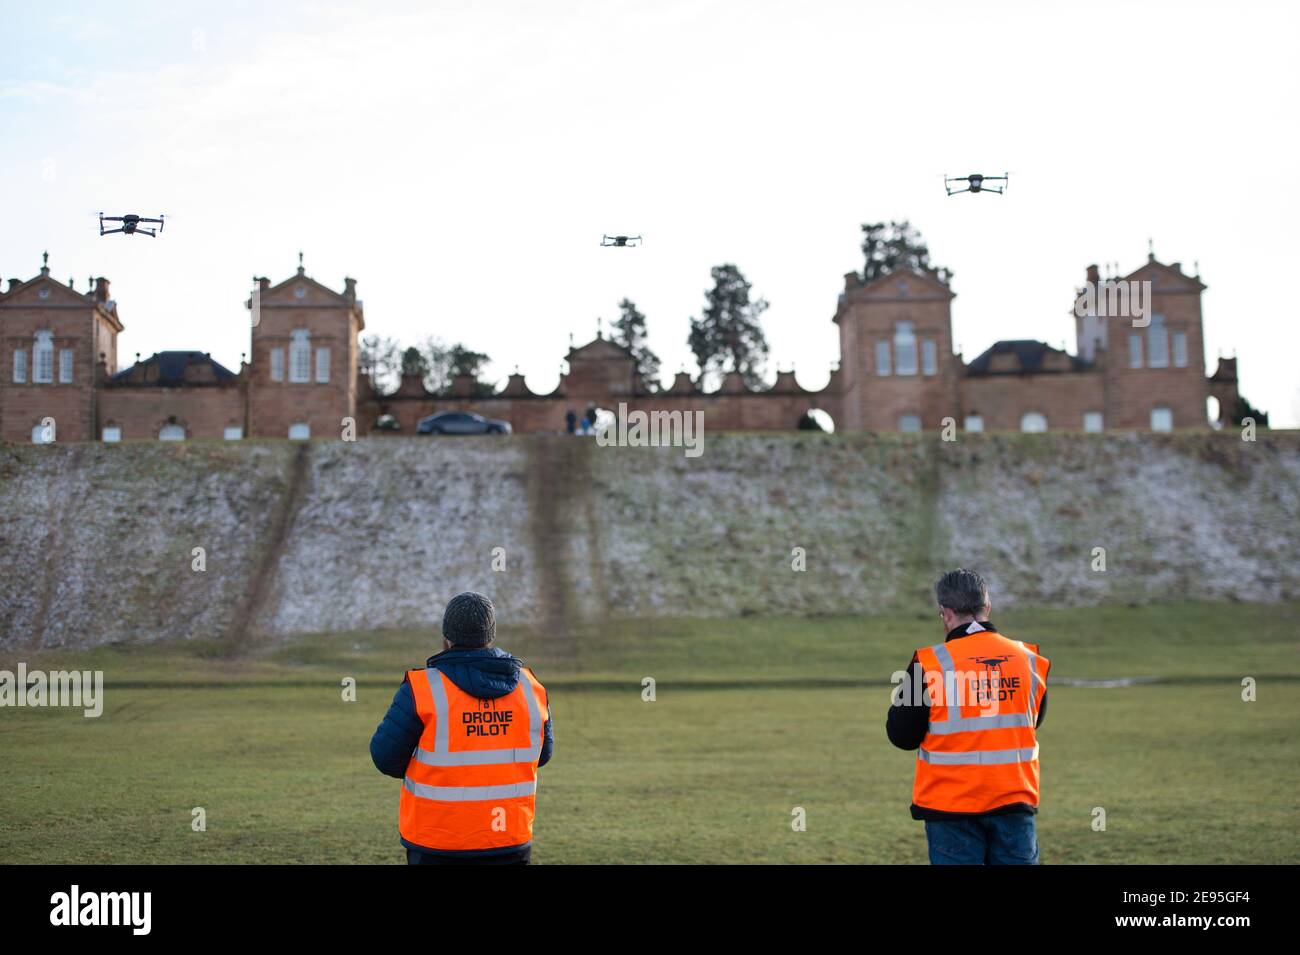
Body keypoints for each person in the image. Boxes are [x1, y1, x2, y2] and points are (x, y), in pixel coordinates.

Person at [370, 592, 553, 865]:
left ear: (447, 636)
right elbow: (542, 754)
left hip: (437, 842)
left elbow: (385, 758)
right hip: (508, 840)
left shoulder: (424, 689)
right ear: (489, 636)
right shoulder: (530, 688)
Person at [886, 569, 1050, 864]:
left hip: (951, 808)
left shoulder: (927, 664)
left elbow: (901, 736)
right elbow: (1032, 719)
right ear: (987, 606)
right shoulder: (1029, 660)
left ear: (944, 612)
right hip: (1014, 800)